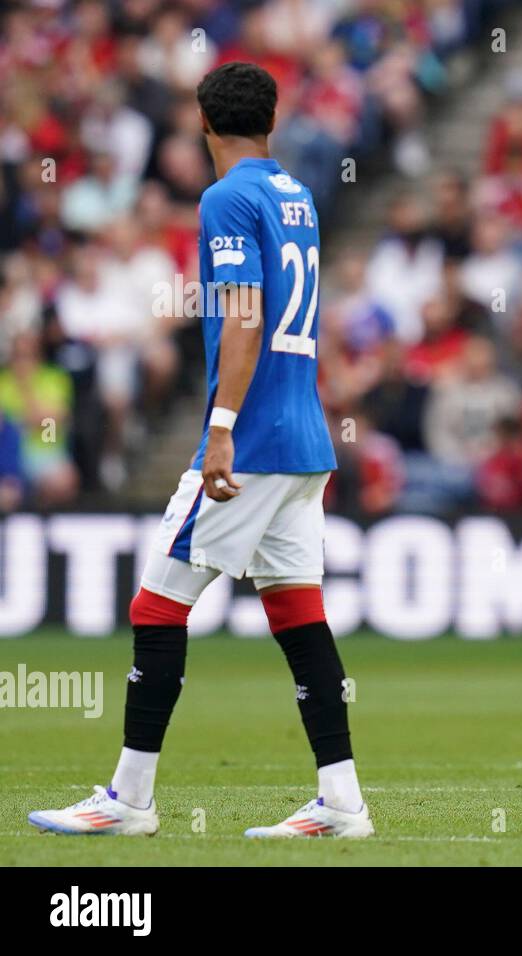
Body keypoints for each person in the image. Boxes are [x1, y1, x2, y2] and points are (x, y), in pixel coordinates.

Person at [29, 62, 371, 839]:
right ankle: (343, 800)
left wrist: (219, 426)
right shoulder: (298, 196)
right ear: (272, 123)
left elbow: (245, 316)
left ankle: (129, 800)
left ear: (203, 124)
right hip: (304, 436)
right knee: (297, 613)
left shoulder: (226, 197)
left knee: (156, 605)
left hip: (250, 439)